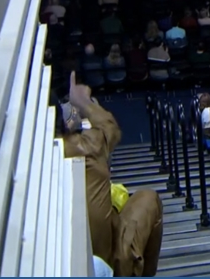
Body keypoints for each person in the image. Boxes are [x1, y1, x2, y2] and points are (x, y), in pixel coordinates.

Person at [59, 72, 163, 276]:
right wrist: (84, 103)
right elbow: (109, 128)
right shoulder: (84, 148)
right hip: (105, 262)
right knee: (150, 199)